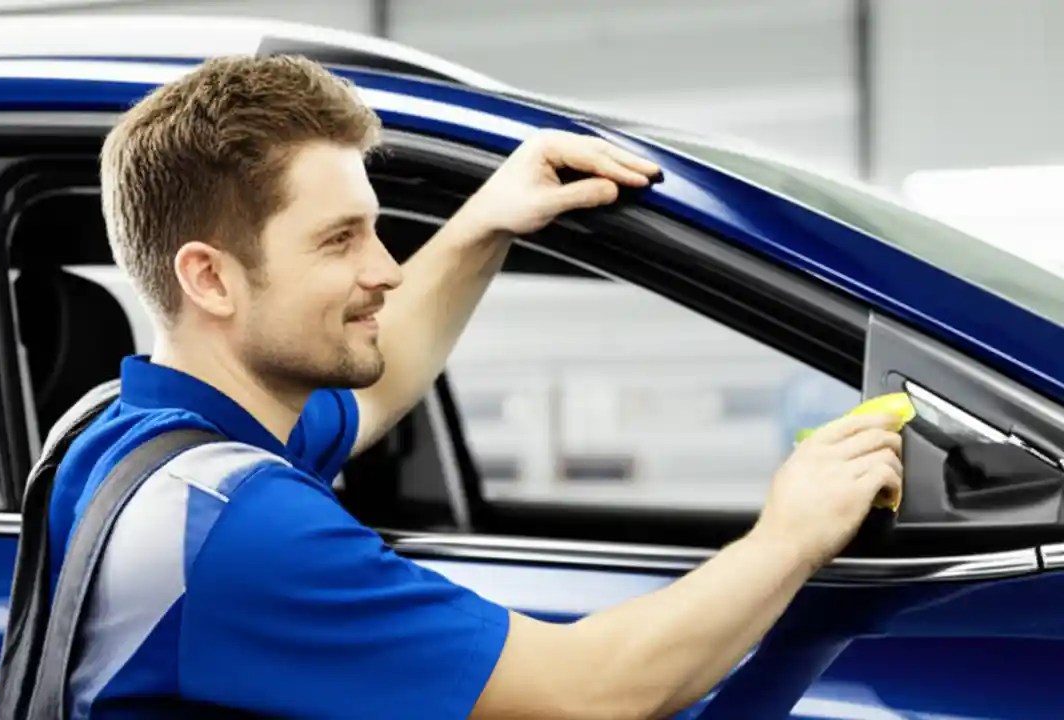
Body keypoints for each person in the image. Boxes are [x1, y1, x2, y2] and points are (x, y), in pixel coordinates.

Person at [49, 55, 904, 719]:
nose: (383, 269)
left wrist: (486, 218)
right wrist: (791, 535)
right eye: (339, 239)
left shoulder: (128, 440)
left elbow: (378, 392)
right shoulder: (236, 531)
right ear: (211, 278)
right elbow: (591, 694)